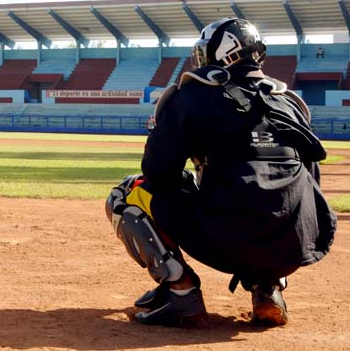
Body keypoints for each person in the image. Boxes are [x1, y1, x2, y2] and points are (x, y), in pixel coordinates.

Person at [105, 17, 336, 327]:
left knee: (127, 193)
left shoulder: (193, 94)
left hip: (230, 242)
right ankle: (268, 288)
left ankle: (180, 290)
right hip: (295, 248)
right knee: (277, 195)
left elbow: (158, 173)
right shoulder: (290, 103)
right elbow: (311, 181)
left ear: (222, 53)